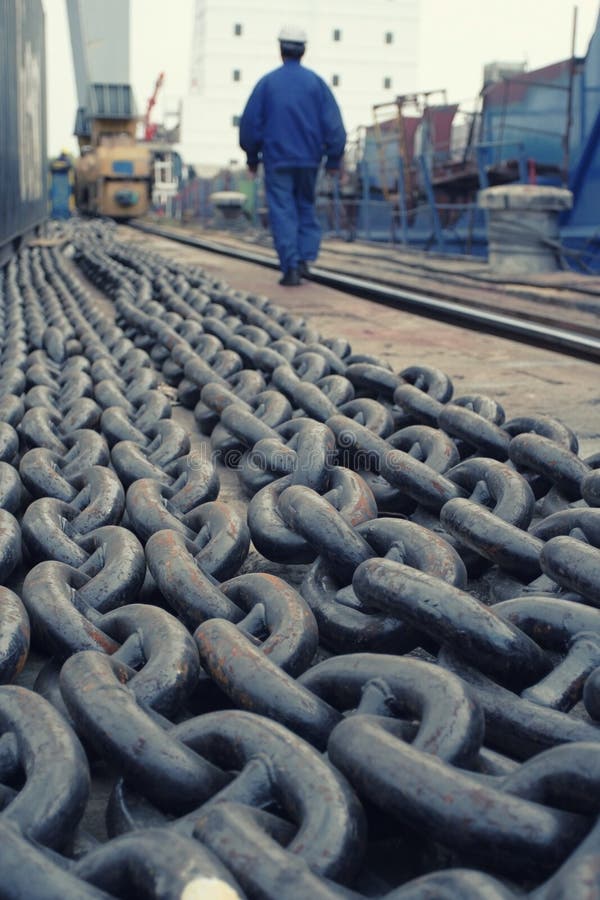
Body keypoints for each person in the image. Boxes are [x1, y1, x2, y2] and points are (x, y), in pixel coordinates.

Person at [239, 25, 347, 286]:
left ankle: (290, 267)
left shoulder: (267, 84)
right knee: (306, 207)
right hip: (310, 160)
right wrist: (333, 159)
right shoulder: (317, 84)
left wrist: (252, 158)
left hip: (277, 160)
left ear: (281, 50)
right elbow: (334, 124)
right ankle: (304, 259)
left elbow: (250, 123)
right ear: (303, 50)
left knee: (282, 210)